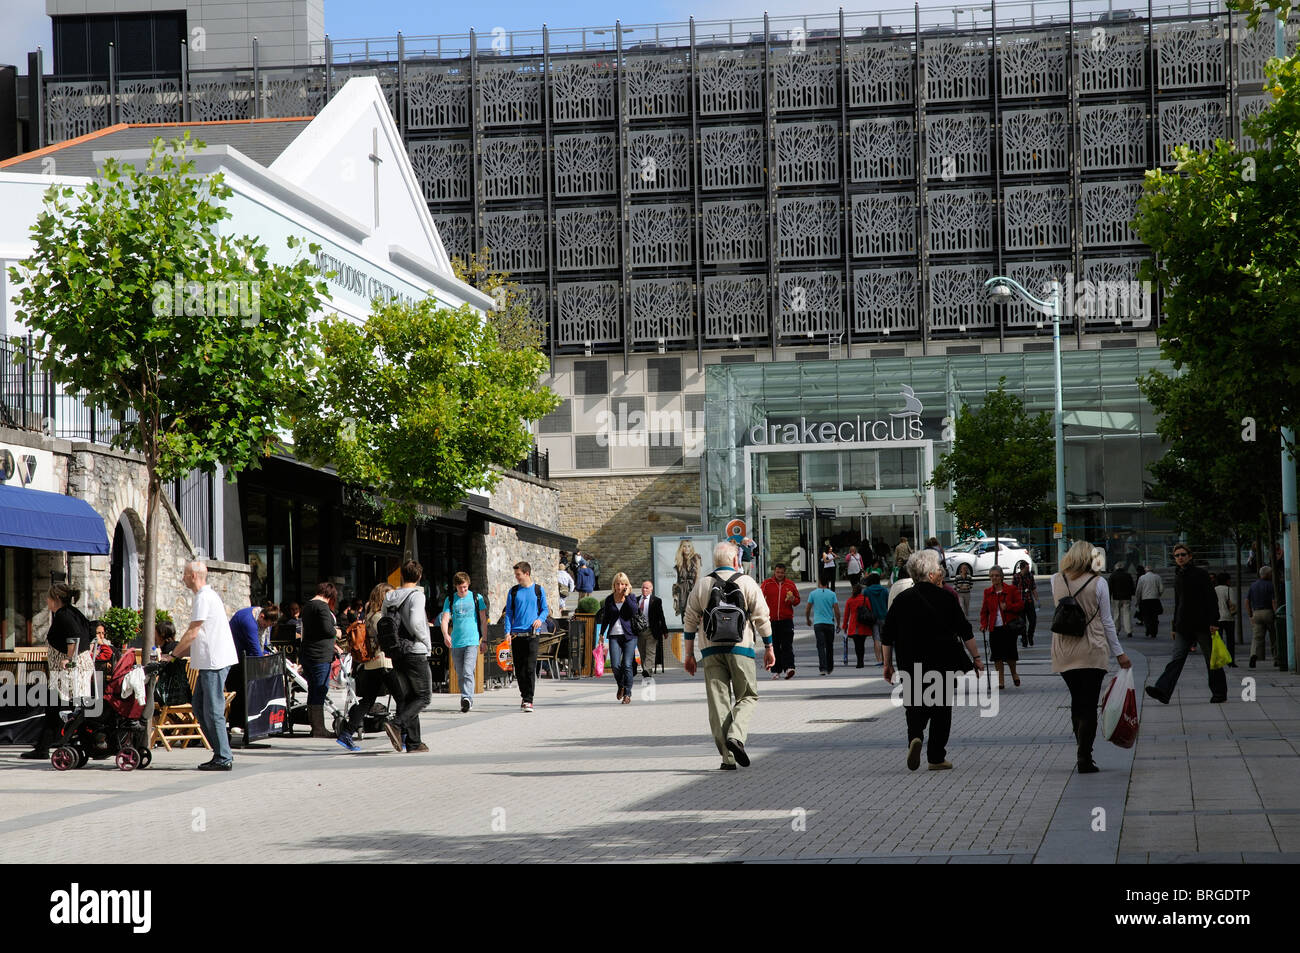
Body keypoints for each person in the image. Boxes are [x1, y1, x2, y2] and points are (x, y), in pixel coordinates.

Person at [882, 550, 984, 771]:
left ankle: (915, 737)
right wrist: (976, 658)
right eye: (938, 568)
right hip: (943, 663)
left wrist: (887, 664)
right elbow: (965, 631)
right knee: (941, 709)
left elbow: (886, 635)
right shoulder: (947, 597)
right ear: (930, 575)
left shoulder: (901, 599)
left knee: (914, 704)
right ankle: (936, 757)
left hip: (910, 663)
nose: (941, 571)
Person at [682, 540, 774, 770]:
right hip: (740, 647)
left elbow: (690, 619)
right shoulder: (747, 582)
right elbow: (762, 617)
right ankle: (736, 735)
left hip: (710, 649)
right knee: (748, 695)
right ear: (735, 560)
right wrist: (769, 647)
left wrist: (689, 655)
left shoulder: (703, 584)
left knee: (718, 704)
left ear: (715, 561)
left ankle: (727, 758)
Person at [1050, 541, 1131, 774]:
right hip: (1092, 648)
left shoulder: (1056, 579)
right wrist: (1120, 653)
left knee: (1077, 701)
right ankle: (1084, 756)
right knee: (1089, 704)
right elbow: (1107, 621)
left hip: (1063, 649)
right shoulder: (1099, 583)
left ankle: (1081, 749)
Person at [162, 561, 239, 770]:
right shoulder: (205, 596)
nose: (182, 578)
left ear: (194, 576)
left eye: (185, 574)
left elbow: (193, 632)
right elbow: (199, 636)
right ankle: (220, 753)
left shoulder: (204, 597)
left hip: (214, 662)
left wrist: (173, 655)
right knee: (199, 706)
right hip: (210, 661)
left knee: (212, 710)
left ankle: (223, 756)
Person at [1145, 544, 1228, 706]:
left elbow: (1211, 599)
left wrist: (1213, 622)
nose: (1180, 557)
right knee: (1176, 659)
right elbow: (1178, 603)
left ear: (1190, 556)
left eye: (1183, 554)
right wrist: (1174, 626)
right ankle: (1162, 690)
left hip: (1202, 624)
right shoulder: (1179, 576)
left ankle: (1219, 693)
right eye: (1177, 555)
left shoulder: (1201, 574)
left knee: (1212, 659)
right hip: (1183, 626)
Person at [21, 583, 93, 761]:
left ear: (57, 599)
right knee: (59, 707)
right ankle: (44, 747)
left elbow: (74, 638)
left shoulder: (63, 615)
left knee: (62, 707)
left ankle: (46, 747)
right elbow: (89, 631)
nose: (47, 601)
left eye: (49, 598)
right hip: (76, 667)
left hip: (68, 670)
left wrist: (69, 659)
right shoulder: (73, 612)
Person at [336, 583, 404, 752]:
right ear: (383, 597)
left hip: (372, 663)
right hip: (384, 662)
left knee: (367, 700)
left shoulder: (370, 614)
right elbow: (387, 639)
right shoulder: (380, 616)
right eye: (390, 596)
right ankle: (401, 734)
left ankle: (346, 733)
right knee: (402, 698)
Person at [383, 561, 433, 751]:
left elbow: (385, 619)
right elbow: (416, 622)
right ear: (419, 576)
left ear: (402, 575)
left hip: (396, 650)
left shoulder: (389, 596)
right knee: (424, 697)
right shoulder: (417, 596)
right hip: (414, 650)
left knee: (409, 696)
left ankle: (414, 742)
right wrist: (426, 641)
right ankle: (396, 724)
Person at [502, 560, 548, 713]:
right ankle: (524, 696)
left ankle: (529, 699)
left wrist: (539, 620)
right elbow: (508, 613)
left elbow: (545, 610)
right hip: (516, 635)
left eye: (518, 574)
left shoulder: (538, 590)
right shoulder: (513, 591)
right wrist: (507, 632)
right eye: (516, 574)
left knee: (529, 668)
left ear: (527, 573)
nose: (516, 577)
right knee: (520, 669)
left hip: (532, 635)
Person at [440, 572, 489, 713]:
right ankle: (466, 697)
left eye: (466, 587)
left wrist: (484, 639)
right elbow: (445, 619)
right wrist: (445, 635)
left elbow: (483, 620)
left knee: (468, 671)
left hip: (472, 640)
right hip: (456, 642)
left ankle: (467, 698)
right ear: (456, 586)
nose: (463, 590)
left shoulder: (476, 598)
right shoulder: (450, 600)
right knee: (460, 673)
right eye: (461, 587)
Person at [598, 572, 640, 704]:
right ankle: (621, 685)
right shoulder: (610, 599)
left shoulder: (632, 597)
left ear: (626, 585)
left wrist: (626, 596)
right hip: (614, 635)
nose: (619, 586)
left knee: (627, 664)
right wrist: (602, 634)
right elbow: (606, 618)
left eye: (622, 584)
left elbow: (634, 611)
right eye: (617, 583)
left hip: (630, 636)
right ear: (614, 585)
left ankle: (627, 694)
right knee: (616, 665)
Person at [980, 566, 1025, 690]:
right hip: (995, 628)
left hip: (1009, 627)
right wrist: (984, 624)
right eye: (992, 576)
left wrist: (1008, 606)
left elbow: (1020, 605)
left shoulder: (1011, 590)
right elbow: (984, 611)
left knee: (1010, 654)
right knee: (997, 656)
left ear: (1001, 577)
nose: (994, 578)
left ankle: (1014, 673)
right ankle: (1001, 681)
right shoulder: (988, 592)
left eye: (996, 575)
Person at [761, 563, 800, 679]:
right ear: (774, 572)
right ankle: (776, 670)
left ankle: (789, 668)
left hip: (786, 619)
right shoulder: (767, 583)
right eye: (778, 572)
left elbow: (797, 600)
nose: (779, 574)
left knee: (787, 645)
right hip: (771, 620)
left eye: (782, 572)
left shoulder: (790, 584)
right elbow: (759, 597)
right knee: (775, 646)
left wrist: (793, 599)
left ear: (785, 573)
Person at [805, 575, 840, 675]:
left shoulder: (813, 593)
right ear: (828, 583)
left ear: (819, 582)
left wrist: (808, 619)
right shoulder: (832, 594)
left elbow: (807, 609)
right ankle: (830, 667)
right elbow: (837, 611)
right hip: (829, 624)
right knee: (829, 646)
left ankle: (823, 668)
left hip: (818, 624)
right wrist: (838, 623)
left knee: (820, 646)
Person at [635, 580, 668, 680]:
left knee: (651, 651)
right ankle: (647, 669)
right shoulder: (636, 600)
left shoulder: (656, 601)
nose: (644, 590)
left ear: (651, 590)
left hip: (652, 630)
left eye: (647, 588)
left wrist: (664, 630)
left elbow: (661, 616)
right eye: (643, 588)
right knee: (642, 651)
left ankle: (648, 669)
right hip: (639, 631)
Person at [1246, 566, 1276, 669]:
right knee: (1274, 636)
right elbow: (1273, 601)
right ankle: (1276, 658)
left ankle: (1253, 654)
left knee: (1256, 637)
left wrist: (1250, 614)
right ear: (1267, 574)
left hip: (1256, 613)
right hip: (1268, 612)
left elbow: (1247, 601)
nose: (1271, 575)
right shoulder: (1270, 585)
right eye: (1270, 573)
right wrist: (1276, 612)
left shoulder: (1253, 585)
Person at [842, 582, 873, 668]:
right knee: (862, 644)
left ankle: (859, 661)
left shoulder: (850, 600)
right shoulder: (865, 599)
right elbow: (869, 609)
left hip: (854, 625)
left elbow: (846, 615)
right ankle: (861, 660)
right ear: (861, 591)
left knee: (857, 645)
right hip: (863, 625)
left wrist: (844, 626)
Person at [864, 572, 889, 665]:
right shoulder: (884, 590)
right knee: (884, 639)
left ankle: (878, 660)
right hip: (884, 616)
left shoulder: (867, 591)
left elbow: (865, 604)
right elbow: (887, 603)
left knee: (876, 638)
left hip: (872, 617)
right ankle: (885, 659)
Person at [1013, 560, 1038, 647]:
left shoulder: (1030, 576)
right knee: (1022, 623)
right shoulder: (1016, 577)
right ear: (1022, 568)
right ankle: (1024, 639)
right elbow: (1013, 590)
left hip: (1029, 601)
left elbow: (1033, 588)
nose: (1028, 570)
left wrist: (1037, 599)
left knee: (1033, 620)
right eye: (1027, 568)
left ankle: (1030, 635)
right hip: (1020, 602)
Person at [1135, 564, 1164, 638]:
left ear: (1145, 570)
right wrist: (1158, 595)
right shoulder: (1157, 577)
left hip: (1145, 599)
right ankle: (1154, 632)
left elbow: (1138, 590)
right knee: (1154, 616)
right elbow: (1161, 589)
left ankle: (1148, 628)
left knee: (1146, 616)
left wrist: (1137, 600)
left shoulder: (1142, 578)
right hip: (1155, 599)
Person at [1214, 573, 1236, 666]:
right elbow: (1233, 603)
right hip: (1228, 618)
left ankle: (1220, 659)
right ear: (1227, 580)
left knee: (1218, 640)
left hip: (1217, 618)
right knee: (1230, 640)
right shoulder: (1228, 589)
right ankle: (1230, 661)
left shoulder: (1213, 589)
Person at [1109, 564, 1136, 639]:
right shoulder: (1127, 575)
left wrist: (1109, 597)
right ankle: (1129, 631)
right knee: (1127, 614)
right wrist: (1131, 594)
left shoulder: (1113, 575)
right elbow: (1132, 586)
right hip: (1126, 597)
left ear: (1116, 568)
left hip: (1116, 598)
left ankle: (1116, 630)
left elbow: (1110, 588)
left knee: (1116, 614)